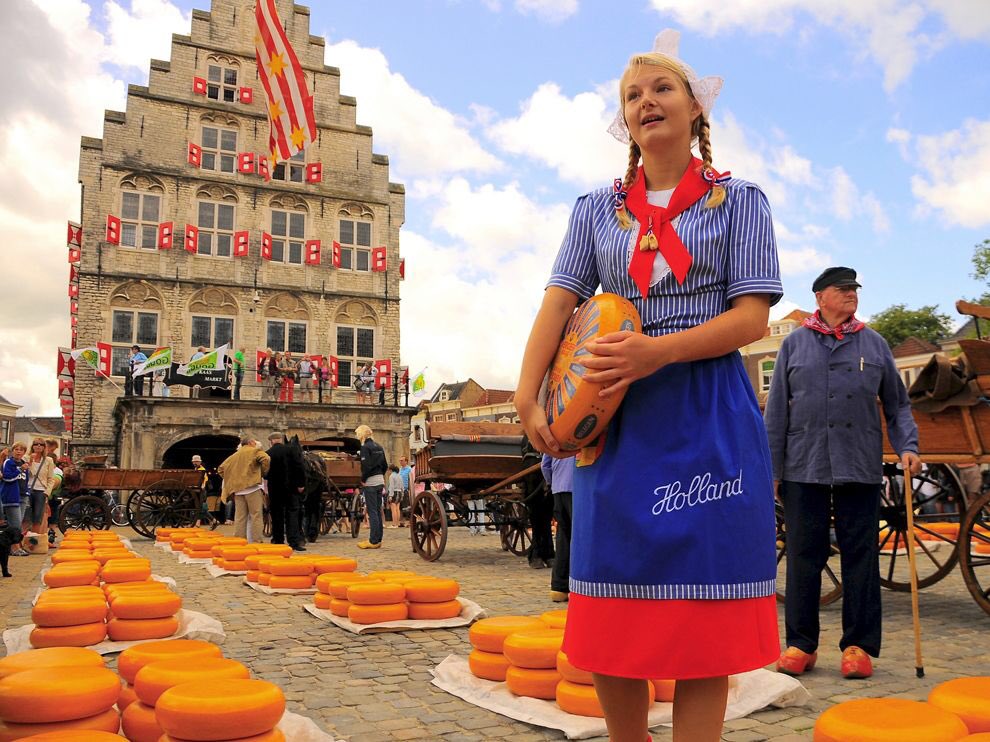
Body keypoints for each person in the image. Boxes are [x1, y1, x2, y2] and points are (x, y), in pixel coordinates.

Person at [515, 31, 782, 742]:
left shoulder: (741, 201)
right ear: (625, 120)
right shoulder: (593, 211)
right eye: (633, 95)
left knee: (704, 622)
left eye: (662, 88)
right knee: (612, 610)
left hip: (708, 413)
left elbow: (752, 318)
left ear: (696, 109)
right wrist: (527, 394)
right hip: (616, 421)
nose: (646, 101)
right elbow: (558, 302)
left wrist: (655, 353)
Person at [764, 266, 922, 681]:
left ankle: (859, 646)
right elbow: (776, 411)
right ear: (820, 297)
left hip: (859, 464)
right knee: (803, 556)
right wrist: (772, 471)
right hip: (804, 465)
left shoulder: (874, 343)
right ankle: (801, 644)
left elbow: (898, 405)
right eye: (843, 289)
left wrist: (908, 447)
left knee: (861, 556)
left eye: (854, 288)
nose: (852, 294)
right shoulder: (794, 344)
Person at [218, 437, 271, 543]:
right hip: (252, 488)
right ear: (251, 442)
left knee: (240, 517)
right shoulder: (254, 451)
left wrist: (232, 480)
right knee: (256, 515)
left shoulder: (234, 455)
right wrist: (261, 473)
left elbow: (221, 469)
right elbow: (266, 458)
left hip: (238, 490)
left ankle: (239, 541)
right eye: (254, 442)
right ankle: (256, 541)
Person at [542, 453, 575, 603]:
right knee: (579, 537)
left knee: (563, 536)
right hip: (576, 488)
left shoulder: (556, 437)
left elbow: (545, 465)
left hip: (558, 489)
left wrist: (553, 482)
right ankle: (577, 586)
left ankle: (559, 587)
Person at [265, 432, 306, 550]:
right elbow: (299, 467)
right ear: (281, 439)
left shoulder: (268, 453)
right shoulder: (291, 450)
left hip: (275, 488)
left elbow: (265, 472)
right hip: (291, 487)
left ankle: (278, 540)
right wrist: (301, 484)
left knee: (276, 514)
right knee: (292, 513)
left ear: (271, 441)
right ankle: (294, 541)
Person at [356, 424, 388, 549]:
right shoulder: (379, 446)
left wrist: (363, 479)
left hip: (370, 482)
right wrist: (380, 475)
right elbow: (385, 465)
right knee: (378, 511)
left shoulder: (365, 447)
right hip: (380, 480)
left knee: (372, 511)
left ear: (361, 434)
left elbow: (366, 466)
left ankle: (373, 541)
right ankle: (378, 539)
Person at [1, 443, 29, 556]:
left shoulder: (23, 463)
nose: (18, 452)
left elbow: (25, 480)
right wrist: (20, 470)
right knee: (15, 524)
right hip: (11, 496)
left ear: (24, 452)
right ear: (12, 451)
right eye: (16, 449)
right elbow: (7, 478)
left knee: (18, 523)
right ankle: (14, 549)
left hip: (23, 495)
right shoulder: (9, 462)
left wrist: (27, 492)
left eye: (21, 450)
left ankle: (13, 547)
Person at [24, 438, 56, 537]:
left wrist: (47, 492)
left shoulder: (48, 460)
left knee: (37, 517)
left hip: (41, 491)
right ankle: (23, 540)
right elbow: (23, 473)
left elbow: (51, 478)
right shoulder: (25, 458)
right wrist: (30, 461)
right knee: (25, 516)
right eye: (36, 444)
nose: (38, 446)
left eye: (41, 444)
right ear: (32, 446)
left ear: (44, 447)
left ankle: (34, 540)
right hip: (27, 489)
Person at [191, 455, 209, 527]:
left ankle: (198, 522)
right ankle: (213, 520)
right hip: (198, 489)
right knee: (199, 506)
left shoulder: (202, 470)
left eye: (196, 462)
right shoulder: (196, 469)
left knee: (200, 507)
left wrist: (201, 487)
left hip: (201, 489)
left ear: (200, 462)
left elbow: (205, 480)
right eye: (194, 462)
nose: (195, 463)